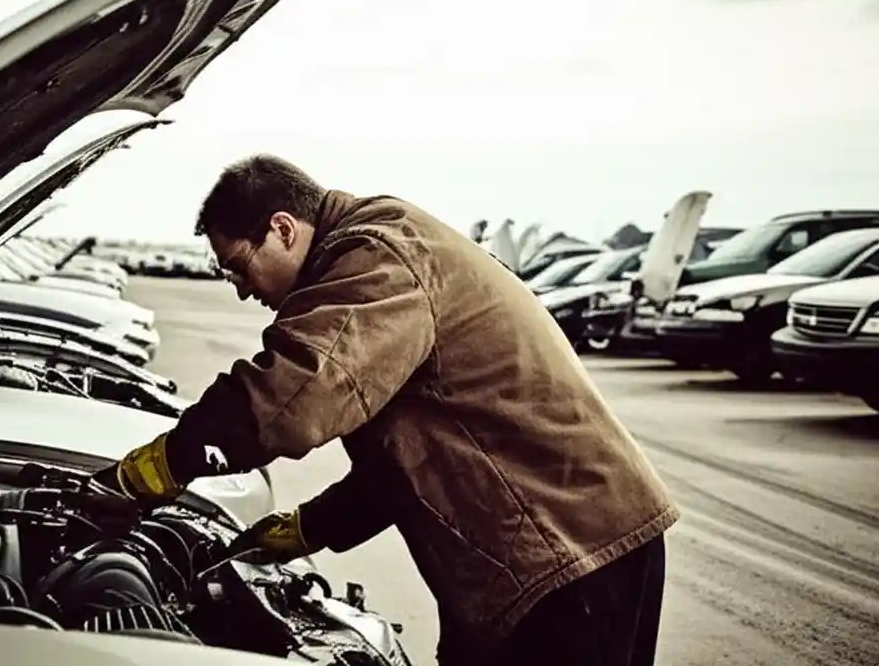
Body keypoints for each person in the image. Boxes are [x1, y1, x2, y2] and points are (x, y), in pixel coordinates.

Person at [98, 153, 679, 665]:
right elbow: (413, 463)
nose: (241, 289)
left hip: (566, 551)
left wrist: (163, 464)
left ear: (282, 228)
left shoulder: (378, 259)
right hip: (561, 547)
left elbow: (294, 395)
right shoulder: (377, 246)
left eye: (239, 266)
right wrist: (309, 527)